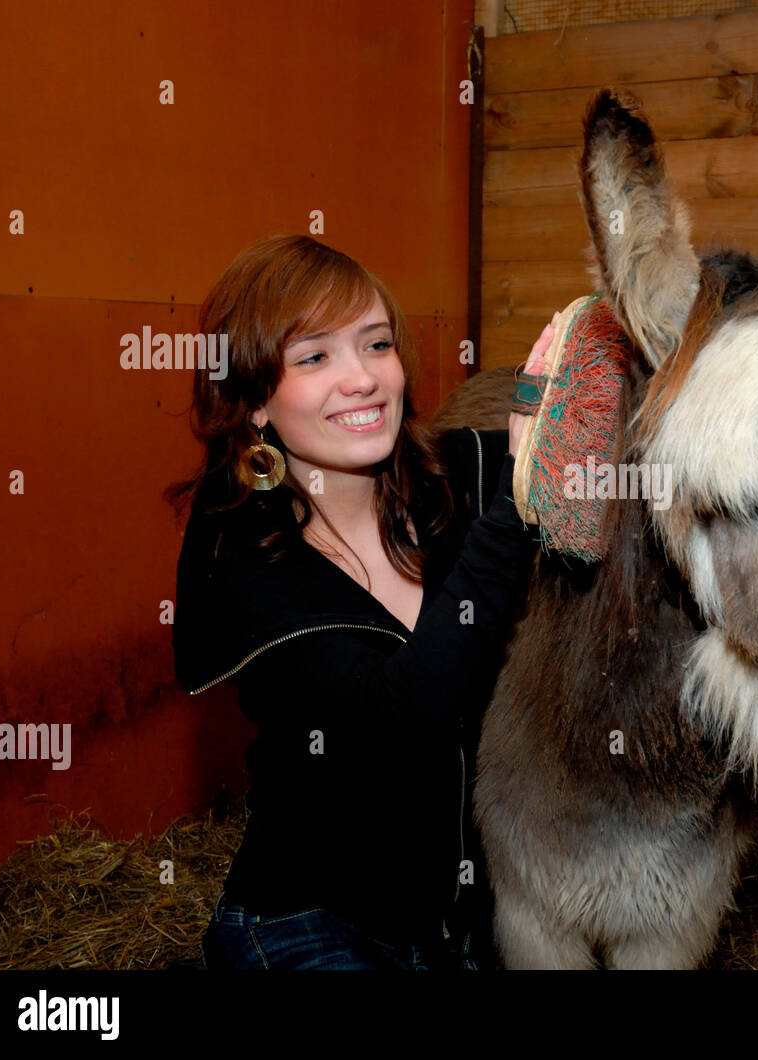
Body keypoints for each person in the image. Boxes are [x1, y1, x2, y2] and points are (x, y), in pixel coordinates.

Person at [170, 233, 555, 969]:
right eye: (315, 357)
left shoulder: (467, 470)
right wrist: (515, 515)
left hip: (473, 928)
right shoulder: (235, 552)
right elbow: (400, 724)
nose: (363, 379)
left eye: (376, 345)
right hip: (311, 921)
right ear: (253, 400)